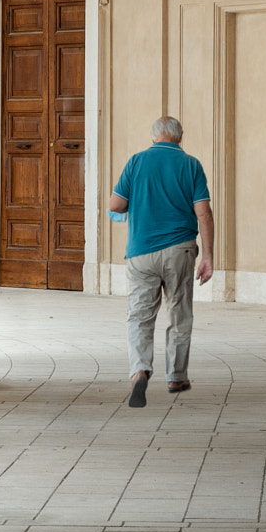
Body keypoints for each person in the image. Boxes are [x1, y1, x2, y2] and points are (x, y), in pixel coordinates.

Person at [107, 116, 213, 407]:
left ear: (154, 137)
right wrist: (208, 256)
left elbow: (115, 206)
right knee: (180, 314)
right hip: (180, 250)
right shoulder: (191, 164)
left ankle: (139, 371)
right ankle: (176, 376)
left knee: (139, 315)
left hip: (141, 251)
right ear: (180, 137)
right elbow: (203, 213)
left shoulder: (136, 162)